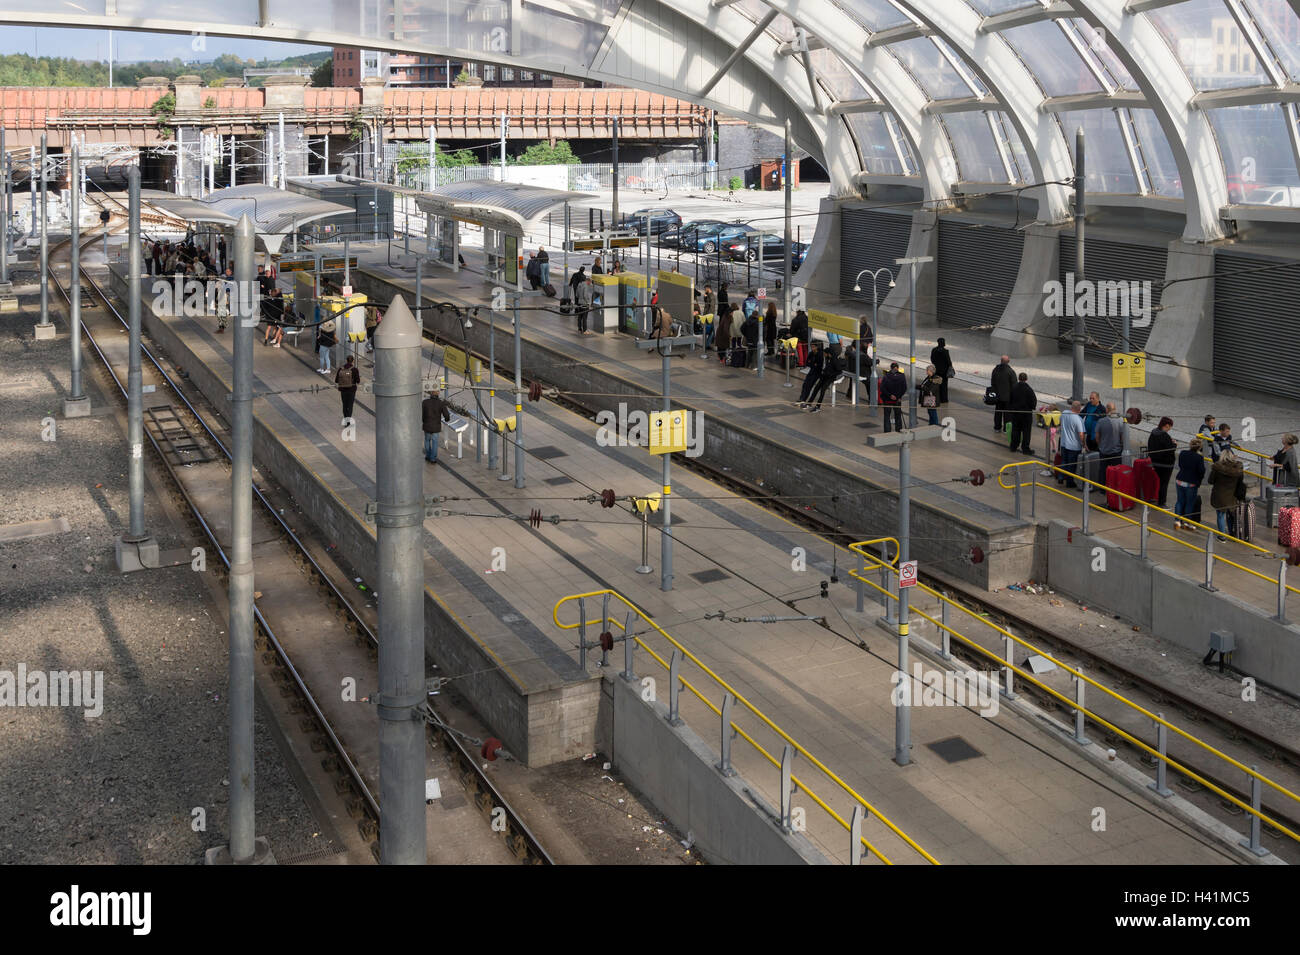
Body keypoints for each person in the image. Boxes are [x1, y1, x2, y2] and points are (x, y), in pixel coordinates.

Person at [1174, 437, 1207, 529]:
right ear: (1199, 447)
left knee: (1180, 501)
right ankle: (1187, 522)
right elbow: (1201, 471)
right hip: (1191, 482)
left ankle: (1177, 521)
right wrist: (1199, 481)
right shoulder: (1199, 457)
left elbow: (1180, 465)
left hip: (1180, 479)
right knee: (1189, 503)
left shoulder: (1183, 453)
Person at [1209, 450, 1244, 537]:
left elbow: (1210, 481)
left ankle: (1222, 536)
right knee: (1230, 513)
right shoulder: (1238, 469)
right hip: (1232, 495)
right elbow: (1240, 482)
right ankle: (1232, 533)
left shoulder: (1217, 468)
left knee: (1220, 515)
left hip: (1219, 495)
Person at [1147, 417, 1178, 509]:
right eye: (1169, 427)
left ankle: (1158, 499)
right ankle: (1162, 503)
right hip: (1166, 465)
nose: (1169, 429)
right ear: (1166, 425)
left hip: (1155, 463)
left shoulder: (1153, 433)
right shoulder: (1164, 436)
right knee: (1164, 483)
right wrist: (1175, 444)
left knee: (1160, 482)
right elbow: (1170, 450)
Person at [806, 346, 843, 413]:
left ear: (828, 353)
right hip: (824, 376)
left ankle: (818, 406)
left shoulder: (834, 360)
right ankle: (809, 403)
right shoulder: (827, 358)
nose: (824, 354)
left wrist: (831, 375)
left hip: (830, 378)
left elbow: (839, 371)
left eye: (825, 353)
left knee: (822, 390)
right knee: (816, 388)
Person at [1059, 400, 1087, 490]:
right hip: (1074, 446)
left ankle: (1061, 477)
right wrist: (1084, 444)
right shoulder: (1078, 419)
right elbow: (1081, 434)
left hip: (1063, 443)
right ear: (1079, 409)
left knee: (1063, 461)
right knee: (1072, 465)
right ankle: (1069, 482)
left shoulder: (1064, 413)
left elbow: (1060, 423)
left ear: (1071, 407)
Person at [1008, 372, 1037, 454]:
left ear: (1018, 378)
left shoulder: (1014, 387)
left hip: (1016, 413)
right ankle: (1025, 448)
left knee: (1015, 430)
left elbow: (1010, 399)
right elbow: (1033, 402)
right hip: (1026, 414)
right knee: (1026, 432)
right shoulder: (1029, 389)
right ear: (1026, 379)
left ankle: (1013, 446)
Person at [422, 387, 451, 464]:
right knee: (435, 442)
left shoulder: (425, 402)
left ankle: (428, 455)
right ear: (438, 393)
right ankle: (433, 458)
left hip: (427, 425)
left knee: (427, 440)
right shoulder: (440, 403)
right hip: (436, 426)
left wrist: (423, 421)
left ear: (431, 393)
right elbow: (446, 415)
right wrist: (447, 419)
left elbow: (421, 414)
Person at [990, 355, 1016, 433]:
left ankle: (997, 427)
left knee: (998, 412)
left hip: (998, 396)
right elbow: (1014, 385)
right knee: (1007, 414)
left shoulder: (995, 369)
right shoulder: (1010, 371)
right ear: (1008, 362)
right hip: (1007, 397)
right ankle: (1006, 429)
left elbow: (992, 382)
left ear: (1001, 361)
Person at [1095, 402, 1123, 474]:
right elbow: (1122, 437)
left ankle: (1101, 484)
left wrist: (1100, 446)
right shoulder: (1121, 421)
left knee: (1103, 471)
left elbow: (1097, 436)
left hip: (1104, 451)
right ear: (1115, 409)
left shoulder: (1101, 421)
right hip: (1116, 452)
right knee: (1116, 472)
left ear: (1107, 409)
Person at [879, 361, 907, 433]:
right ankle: (898, 430)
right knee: (898, 415)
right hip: (897, 400)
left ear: (891, 368)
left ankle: (887, 431)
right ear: (897, 368)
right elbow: (904, 388)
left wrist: (890, 395)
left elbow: (882, 388)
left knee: (887, 416)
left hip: (887, 399)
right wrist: (898, 396)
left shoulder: (886, 376)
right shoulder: (902, 376)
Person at [797, 342, 825, 406]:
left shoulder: (820, 354)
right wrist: (813, 364)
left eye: (813, 347)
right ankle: (802, 398)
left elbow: (819, 365)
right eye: (811, 346)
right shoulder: (811, 353)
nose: (812, 348)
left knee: (809, 385)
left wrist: (812, 363)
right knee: (805, 384)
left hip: (818, 372)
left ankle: (804, 399)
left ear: (817, 347)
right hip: (812, 370)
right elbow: (807, 363)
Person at [336, 355, 360, 423]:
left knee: (345, 405)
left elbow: (336, 380)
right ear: (353, 361)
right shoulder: (355, 369)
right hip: (352, 390)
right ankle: (348, 420)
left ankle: (345, 418)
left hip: (343, 390)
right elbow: (358, 381)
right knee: (350, 405)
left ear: (346, 360)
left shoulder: (341, 369)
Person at [930, 337, 953, 405]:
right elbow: (949, 362)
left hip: (936, 370)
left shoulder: (934, 350)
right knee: (944, 385)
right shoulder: (945, 351)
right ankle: (944, 399)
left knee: (937, 384)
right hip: (944, 371)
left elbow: (932, 359)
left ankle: (938, 398)